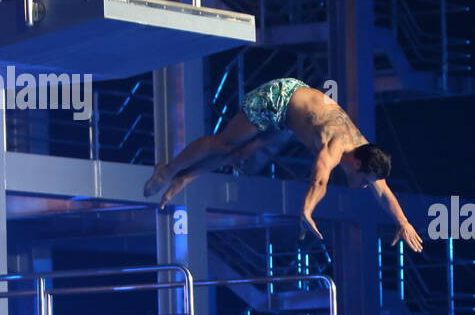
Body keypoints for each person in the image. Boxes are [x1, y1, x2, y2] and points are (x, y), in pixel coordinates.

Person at [143, 77, 424, 251]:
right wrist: (307, 210)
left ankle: (187, 176)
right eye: (364, 180)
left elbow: (384, 192)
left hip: (290, 119)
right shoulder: (336, 146)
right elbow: (319, 181)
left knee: (240, 155)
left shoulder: (366, 153)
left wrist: (403, 222)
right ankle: (168, 169)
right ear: (356, 163)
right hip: (279, 98)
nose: (365, 186)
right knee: (227, 143)